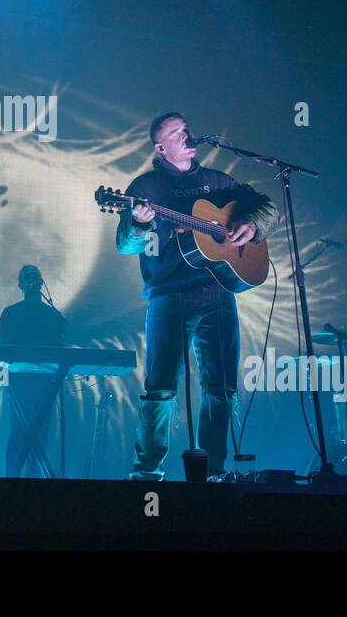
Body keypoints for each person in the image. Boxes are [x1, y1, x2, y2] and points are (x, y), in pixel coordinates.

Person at [116, 112, 279, 481]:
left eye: (186, 128)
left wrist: (253, 226)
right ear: (161, 147)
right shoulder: (147, 187)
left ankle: (213, 474)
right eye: (176, 131)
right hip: (167, 293)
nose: (187, 133)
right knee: (159, 388)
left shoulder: (218, 182)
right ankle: (146, 477)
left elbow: (268, 209)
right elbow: (125, 245)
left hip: (218, 292)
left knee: (220, 387)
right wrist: (139, 223)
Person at [0, 265, 66, 478]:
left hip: (44, 382)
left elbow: (60, 345)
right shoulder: (11, 313)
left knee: (42, 433)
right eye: (28, 276)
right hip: (20, 380)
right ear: (21, 284)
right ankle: (12, 480)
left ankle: (34, 480)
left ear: (41, 281)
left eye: (35, 275)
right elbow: (3, 347)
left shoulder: (53, 315)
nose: (32, 279)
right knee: (19, 431)